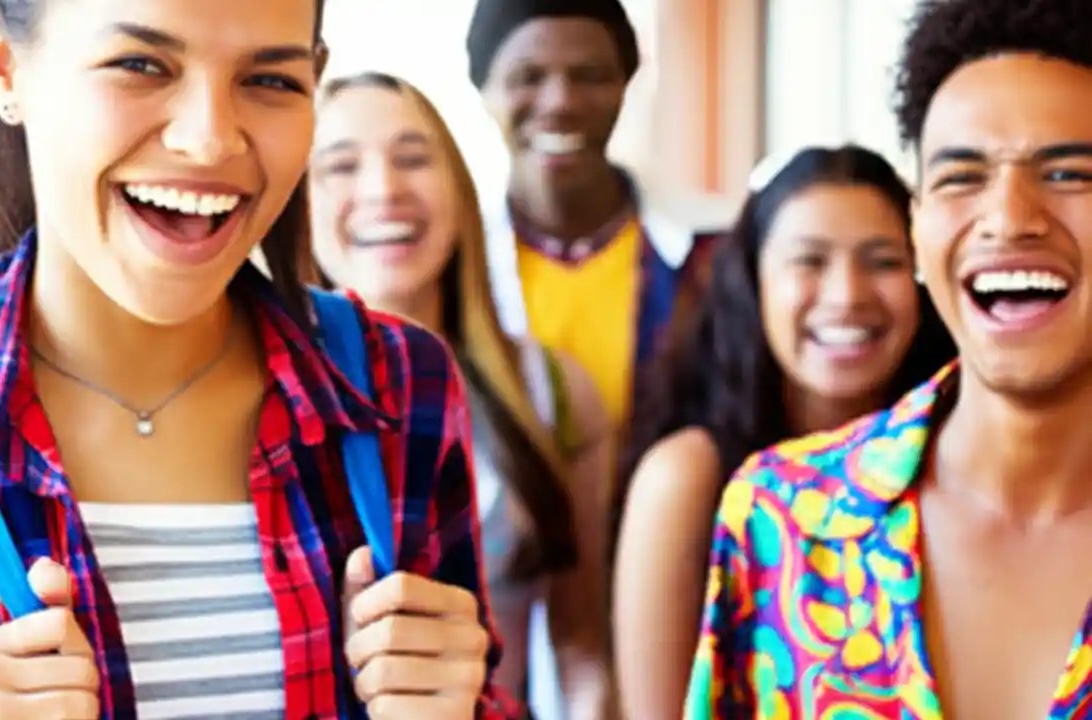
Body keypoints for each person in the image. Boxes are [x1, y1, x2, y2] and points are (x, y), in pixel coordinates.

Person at [0, 1, 516, 718]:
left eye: (269, 80)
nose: (209, 141)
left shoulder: (398, 385)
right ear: (3, 62)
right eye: (140, 65)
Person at [686, 0, 1092, 717]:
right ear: (918, 227)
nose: (1008, 217)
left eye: (1068, 174)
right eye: (961, 176)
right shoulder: (782, 518)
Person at [309, 71, 614, 719]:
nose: (383, 189)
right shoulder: (253, 396)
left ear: (459, 186)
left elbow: (580, 646)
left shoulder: (553, 388)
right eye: (339, 166)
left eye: (414, 159)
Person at [613, 145, 955, 719]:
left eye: (883, 261)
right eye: (809, 261)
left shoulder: (955, 461)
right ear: (752, 282)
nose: (847, 294)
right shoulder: (689, 477)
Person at [466, 0, 717, 461]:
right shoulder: (453, 264)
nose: (560, 101)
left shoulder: (712, 254)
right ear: (485, 90)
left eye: (590, 76)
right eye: (528, 77)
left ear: (626, 85)